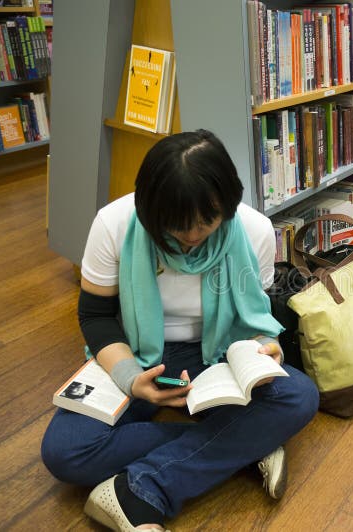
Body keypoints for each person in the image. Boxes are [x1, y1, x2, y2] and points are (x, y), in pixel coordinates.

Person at [41, 130, 320, 532]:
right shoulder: (115, 224)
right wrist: (131, 379)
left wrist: (265, 346)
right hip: (133, 353)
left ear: (228, 201)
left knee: (299, 396)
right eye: (176, 226)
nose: (192, 236)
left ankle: (141, 489)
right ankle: (242, 443)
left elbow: (254, 315)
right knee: (64, 452)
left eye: (207, 221)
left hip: (219, 355)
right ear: (149, 208)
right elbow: (96, 317)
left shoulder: (254, 230)